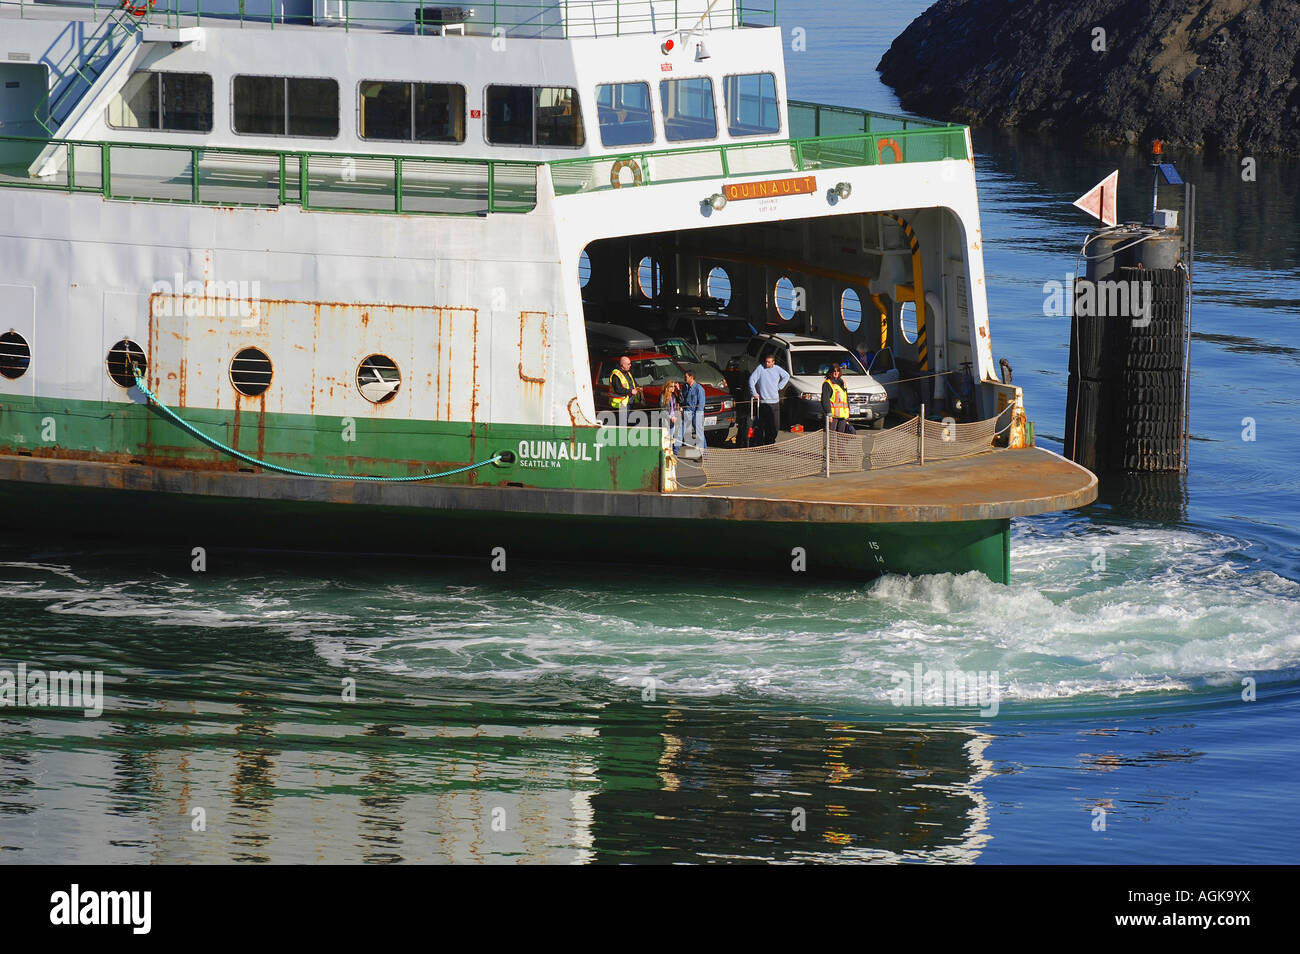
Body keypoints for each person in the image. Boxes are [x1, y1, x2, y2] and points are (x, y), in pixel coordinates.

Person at [747, 351, 790, 446]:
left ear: (773, 362)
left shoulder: (777, 369)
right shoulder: (760, 368)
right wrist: (754, 393)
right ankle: (767, 443)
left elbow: (786, 376)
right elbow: (751, 380)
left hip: (775, 402)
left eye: (769, 362)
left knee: (776, 425)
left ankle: (771, 441)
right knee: (765, 424)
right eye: (766, 361)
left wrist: (780, 386)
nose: (767, 363)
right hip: (764, 402)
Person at [821, 366, 857, 436]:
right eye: (834, 371)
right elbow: (825, 400)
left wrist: (848, 412)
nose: (836, 373)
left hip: (843, 415)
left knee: (841, 436)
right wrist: (829, 414)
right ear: (830, 373)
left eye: (838, 371)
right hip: (833, 416)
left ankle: (839, 445)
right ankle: (831, 445)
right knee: (831, 435)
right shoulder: (828, 383)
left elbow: (845, 399)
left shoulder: (842, 383)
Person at [680, 369, 707, 459]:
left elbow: (701, 404)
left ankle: (703, 454)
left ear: (691, 377)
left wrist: (697, 417)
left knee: (699, 434)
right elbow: (683, 400)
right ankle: (675, 451)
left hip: (696, 412)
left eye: (686, 377)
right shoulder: (685, 387)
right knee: (681, 431)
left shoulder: (699, 389)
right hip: (687, 411)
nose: (684, 378)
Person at [608, 355, 641, 423]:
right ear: (623, 365)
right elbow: (618, 389)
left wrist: (638, 388)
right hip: (621, 404)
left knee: (627, 422)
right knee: (622, 423)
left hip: (628, 402)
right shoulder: (616, 375)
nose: (630, 365)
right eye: (628, 364)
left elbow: (632, 383)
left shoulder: (627, 373)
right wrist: (631, 391)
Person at [660, 379, 683, 455]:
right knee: (667, 439)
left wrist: (679, 390)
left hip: (673, 419)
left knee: (671, 438)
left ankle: (670, 455)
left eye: (674, 386)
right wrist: (670, 417)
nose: (673, 388)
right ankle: (666, 456)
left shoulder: (673, 395)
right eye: (671, 386)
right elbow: (662, 410)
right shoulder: (663, 396)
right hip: (666, 419)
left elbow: (681, 400)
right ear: (667, 387)